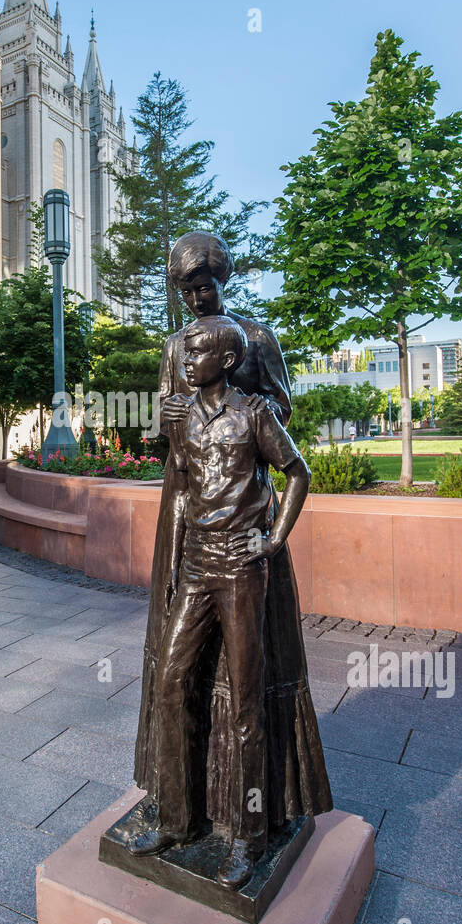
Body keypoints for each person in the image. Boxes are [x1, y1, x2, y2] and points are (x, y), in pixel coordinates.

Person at [133, 230, 331, 845]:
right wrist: (162, 418)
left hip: (243, 518)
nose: (193, 298)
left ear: (222, 278)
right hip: (188, 509)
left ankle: (248, 813)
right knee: (175, 671)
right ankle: (177, 800)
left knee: (247, 680)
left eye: (201, 285)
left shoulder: (257, 339)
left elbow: (281, 414)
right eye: (183, 289)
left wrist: (240, 408)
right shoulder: (174, 346)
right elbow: (167, 420)